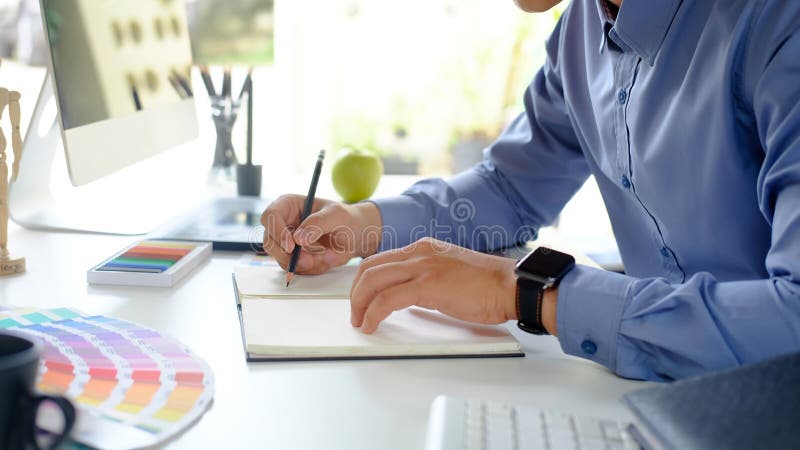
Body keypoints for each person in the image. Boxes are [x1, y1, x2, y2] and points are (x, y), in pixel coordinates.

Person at [261, 0, 800, 382]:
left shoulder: (779, 23)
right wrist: (363, 225)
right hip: (645, 399)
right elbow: (510, 189)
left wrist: (526, 292)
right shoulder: (579, 33)